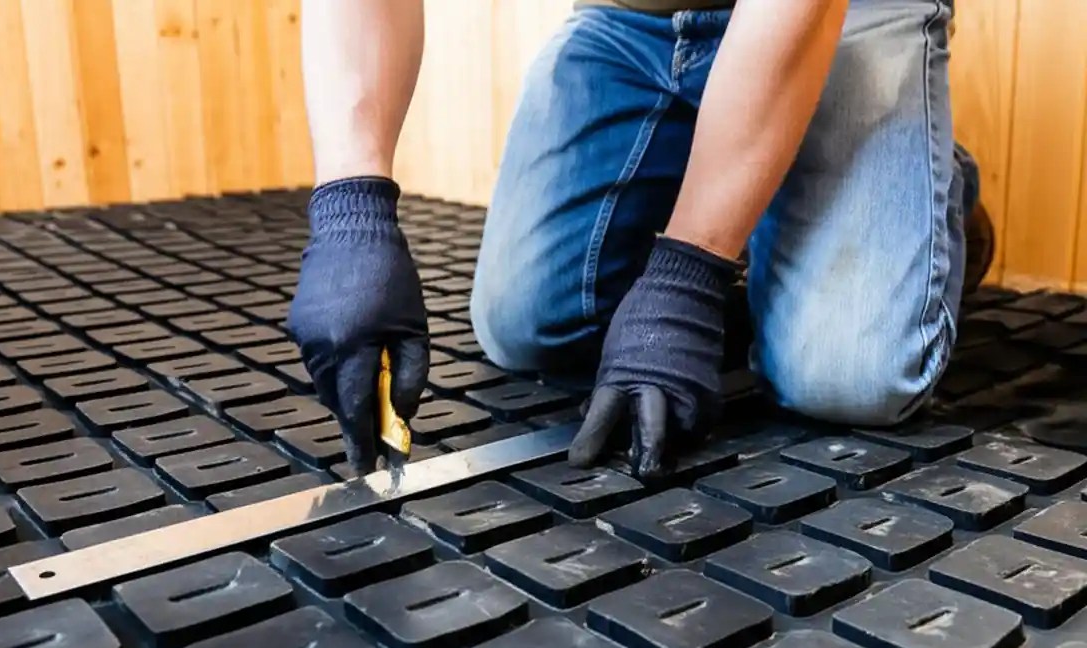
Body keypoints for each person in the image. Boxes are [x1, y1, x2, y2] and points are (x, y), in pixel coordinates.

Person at [287, 0, 991, 479]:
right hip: (630, 19)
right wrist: (354, 206)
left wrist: (689, 271)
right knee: (525, 324)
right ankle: (758, 206)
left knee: (847, 376)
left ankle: (937, 195)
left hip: (839, 13)